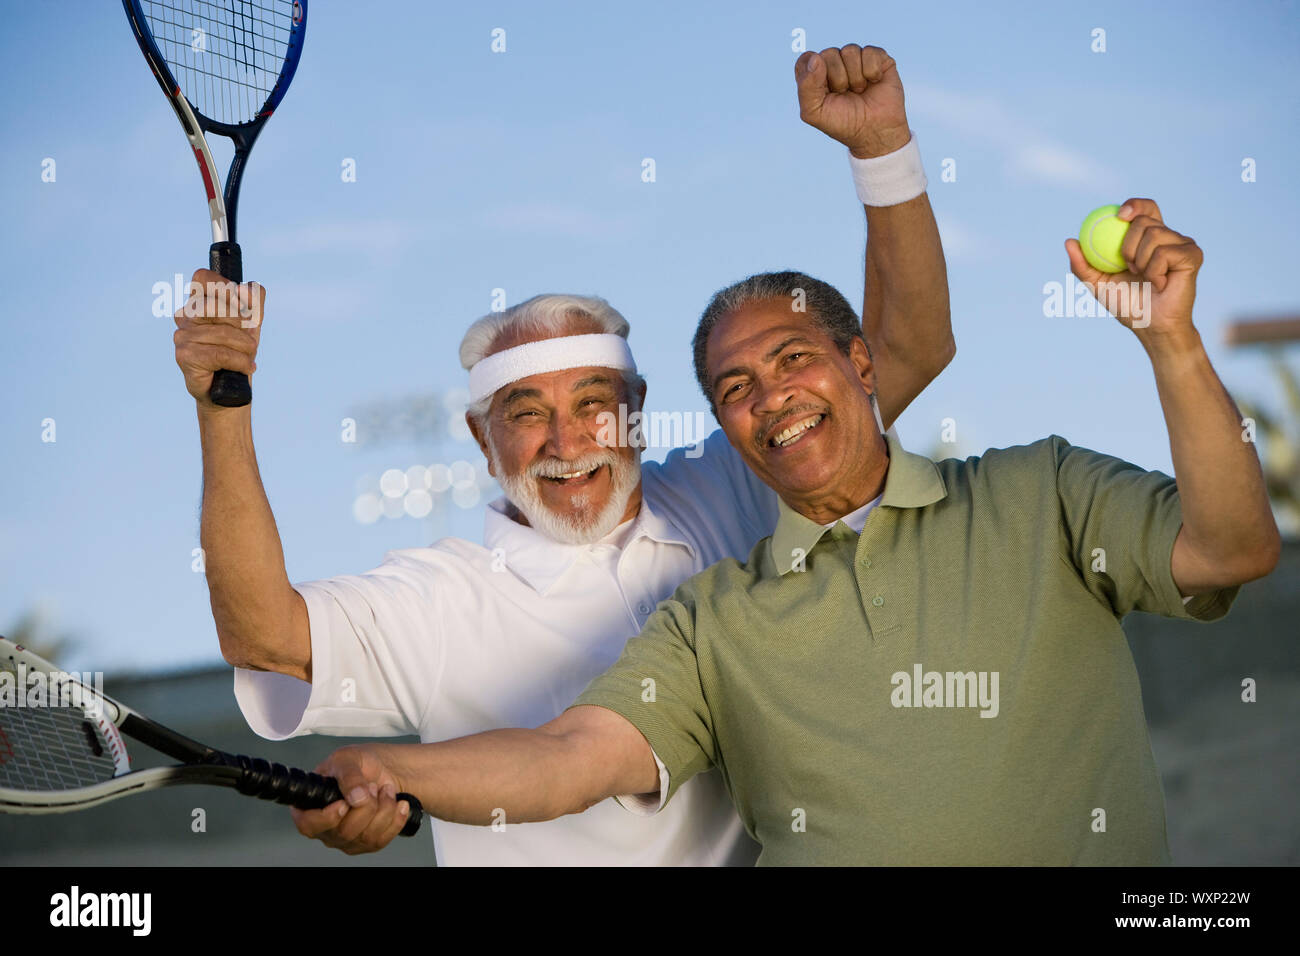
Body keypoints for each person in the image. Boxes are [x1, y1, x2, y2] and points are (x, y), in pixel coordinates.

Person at [293, 201, 1280, 864]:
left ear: (860, 364)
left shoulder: (1042, 488)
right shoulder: (712, 621)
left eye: (792, 357)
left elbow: (1233, 548)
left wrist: (1172, 341)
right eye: (734, 388)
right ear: (722, 426)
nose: (770, 397)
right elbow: (567, 756)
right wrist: (395, 771)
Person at [173, 45, 954, 864]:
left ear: (638, 412)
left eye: (592, 405)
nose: (567, 442)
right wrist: (222, 406)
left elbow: (906, 350)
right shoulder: (438, 602)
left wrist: (882, 152)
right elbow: (262, 636)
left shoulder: (738, 486)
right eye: (526, 413)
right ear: (483, 441)